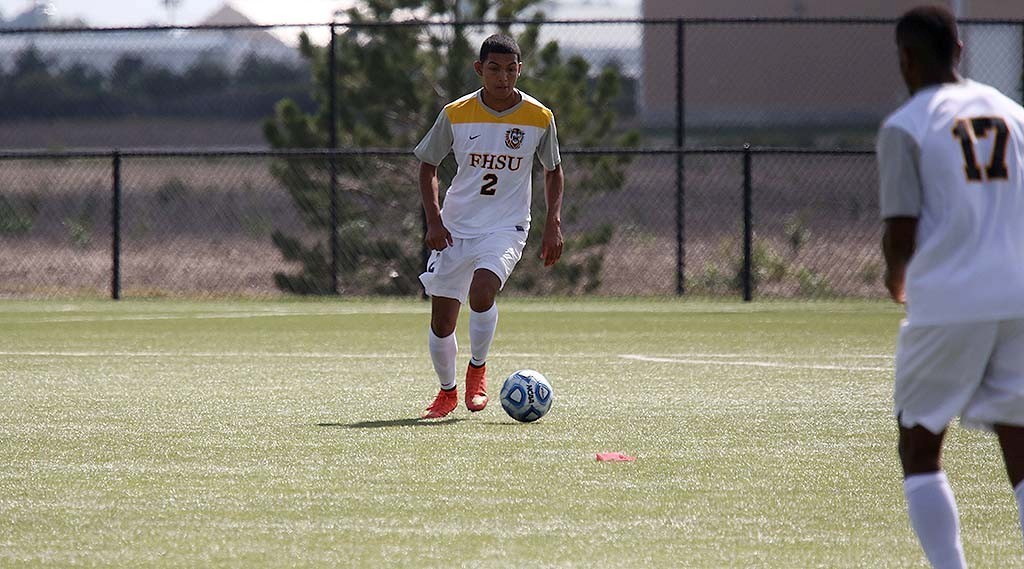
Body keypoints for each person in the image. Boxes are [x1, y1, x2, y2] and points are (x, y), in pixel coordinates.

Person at [878, 5, 1024, 567]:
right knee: (1020, 445)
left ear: (906, 59)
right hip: (1017, 299)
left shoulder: (907, 125)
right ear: (960, 51)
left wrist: (897, 284)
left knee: (920, 446)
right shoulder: (1014, 114)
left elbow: (900, 231)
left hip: (950, 302)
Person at [413, 34, 564, 419]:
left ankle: (477, 369)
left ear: (520, 70)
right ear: (480, 69)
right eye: (494, 69)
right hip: (456, 226)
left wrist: (553, 224)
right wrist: (433, 220)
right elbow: (428, 166)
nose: (503, 77)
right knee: (442, 321)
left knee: (482, 292)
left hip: (506, 226)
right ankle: (447, 392)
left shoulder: (539, 117)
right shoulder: (455, 113)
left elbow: (553, 171)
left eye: (511, 69)